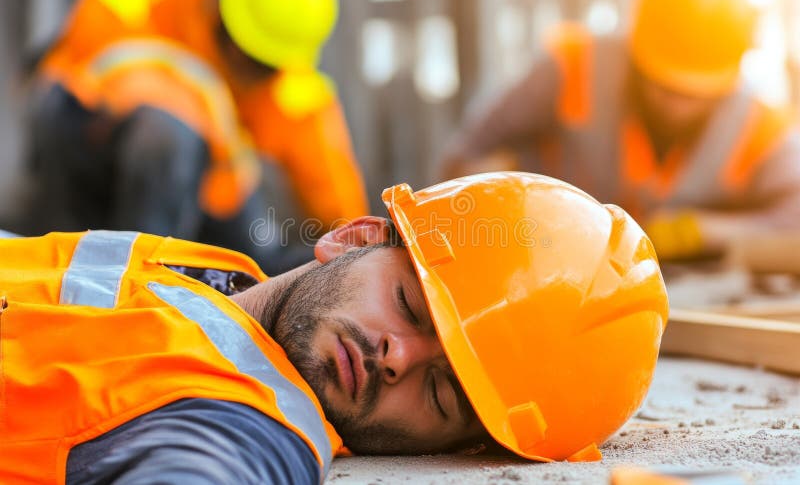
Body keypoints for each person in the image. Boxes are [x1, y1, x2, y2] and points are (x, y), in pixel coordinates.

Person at [0, 172, 669, 484]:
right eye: (411, 306)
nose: (396, 357)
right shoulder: (203, 274)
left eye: (441, 392)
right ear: (352, 239)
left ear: (461, 448)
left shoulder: (251, 420)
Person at [21, 0, 368, 274]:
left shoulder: (291, 88)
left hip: (210, 183)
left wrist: (361, 249)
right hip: (92, 136)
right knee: (166, 138)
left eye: (256, 63)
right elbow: (95, 67)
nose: (240, 62)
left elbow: (330, 184)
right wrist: (207, 110)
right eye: (235, 43)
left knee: (260, 261)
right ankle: (132, 283)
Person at [442, 0, 800, 261]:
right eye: (664, 85)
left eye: (694, 94)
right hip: (548, 266)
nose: (675, 105)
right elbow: (462, 163)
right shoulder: (572, 68)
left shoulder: (760, 123)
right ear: (638, 48)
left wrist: (701, 231)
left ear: (729, 76)